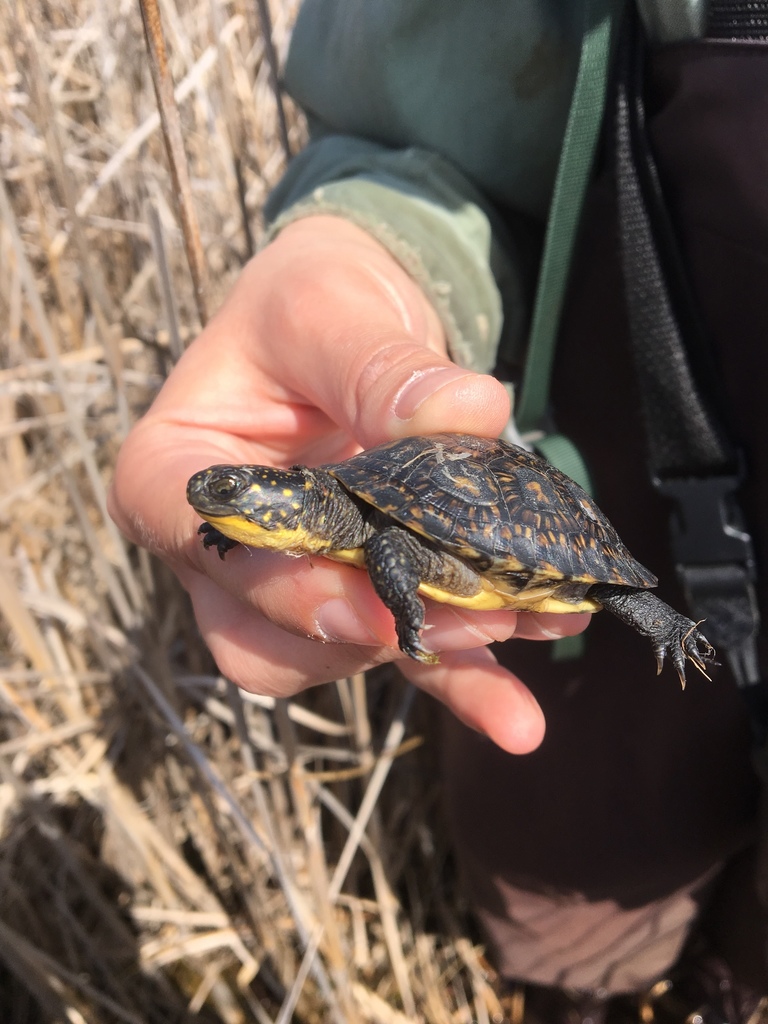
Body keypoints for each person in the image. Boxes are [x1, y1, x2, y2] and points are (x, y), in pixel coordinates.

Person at [109, 2, 768, 1020]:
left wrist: (406, 614)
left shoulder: (361, 520)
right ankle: (591, 983)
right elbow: (454, 107)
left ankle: (728, 978)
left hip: (579, 495)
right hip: (643, 427)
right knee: (587, 821)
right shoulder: (346, 501)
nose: (227, 496)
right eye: (235, 494)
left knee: (606, 593)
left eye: (238, 491)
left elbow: (395, 561)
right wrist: (367, 257)